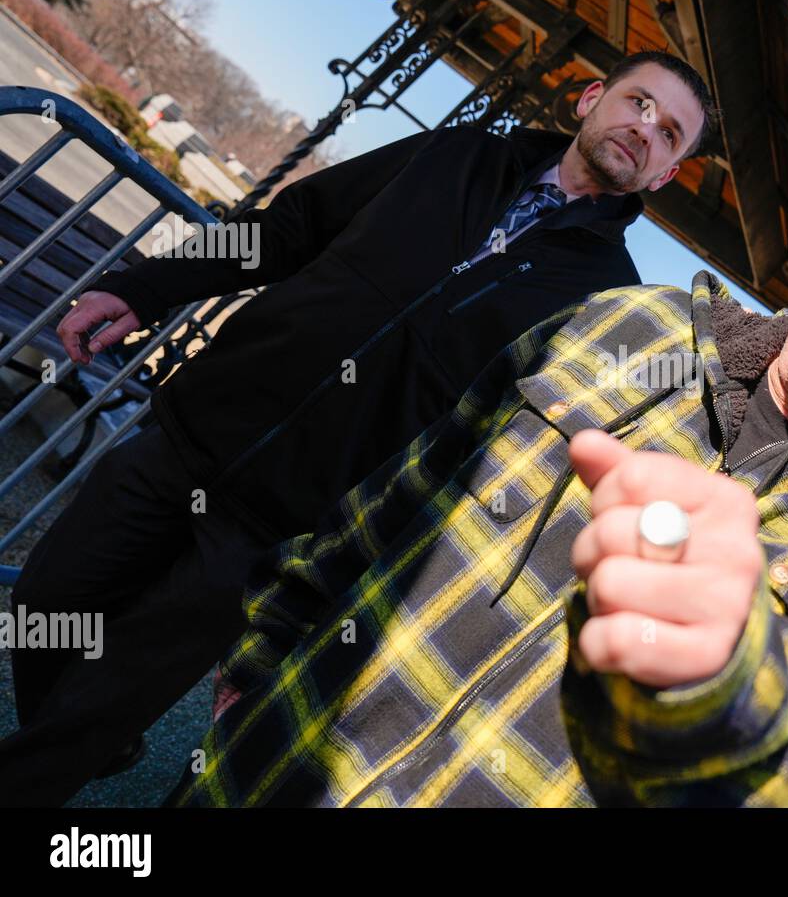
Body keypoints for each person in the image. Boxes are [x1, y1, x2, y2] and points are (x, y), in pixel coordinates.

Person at [168, 163, 788, 807]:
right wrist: (256, 661)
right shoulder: (626, 324)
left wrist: (731, 675)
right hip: (262, 773)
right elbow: (393, 498)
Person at [0, 51, 717, 807]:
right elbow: (289, 227)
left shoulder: (605, 299)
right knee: (50, 599)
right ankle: (102, 742)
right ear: (590, 98)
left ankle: (72, 749)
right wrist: (143, 287)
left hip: (288, 531)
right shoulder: (455, 153)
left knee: (102, 699)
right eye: (639, 103)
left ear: (667, 174)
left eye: (670, 134)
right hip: (199, 431)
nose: (646, 130)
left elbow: (491, 451)